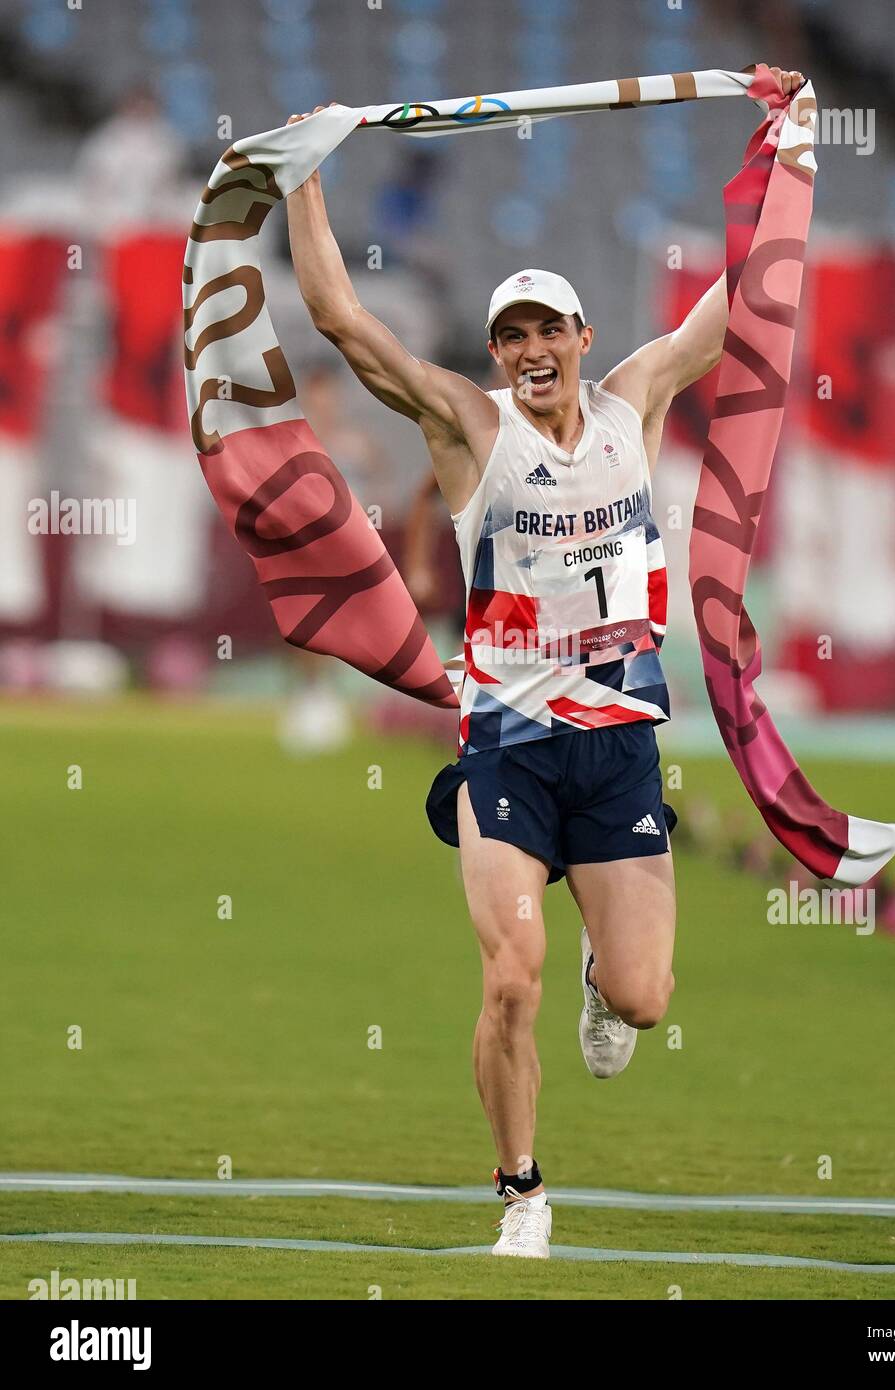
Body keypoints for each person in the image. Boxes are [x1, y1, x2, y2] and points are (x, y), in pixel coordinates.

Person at [285, 67, 805, 1260]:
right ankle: (523, 1192)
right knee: (505, 975)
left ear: (582, 337)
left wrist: (790, 150)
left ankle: (601, 964)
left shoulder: (637, 399)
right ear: (496, 351)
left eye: (545, 330)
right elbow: (341, 322)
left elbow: (745, 293)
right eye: (508, 334)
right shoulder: (470, 428)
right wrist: (305, 171)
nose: (528, 349)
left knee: (642, 1000)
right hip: (506, 749)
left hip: (620, 752)